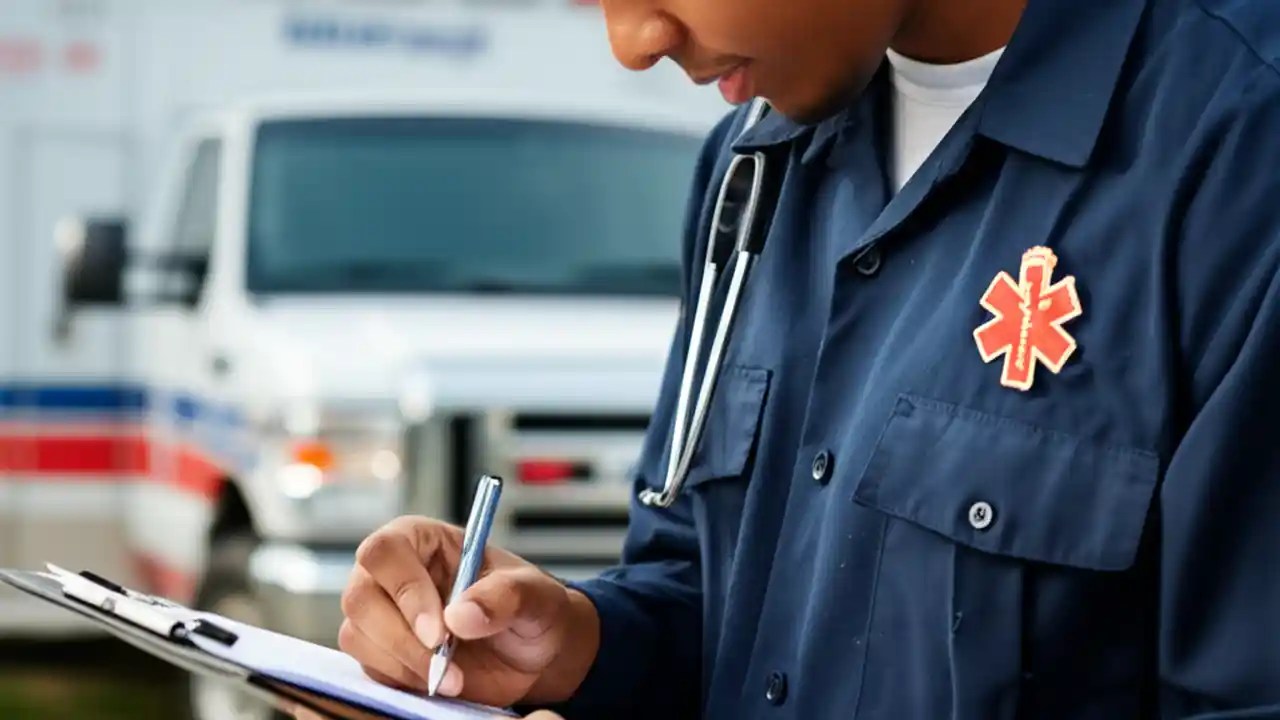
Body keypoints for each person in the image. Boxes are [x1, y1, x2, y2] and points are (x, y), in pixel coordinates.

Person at [317, 0, 1280, 717]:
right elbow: (712, 590)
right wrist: (573, 646)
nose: (633, 42)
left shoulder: (1239, 146)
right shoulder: (748, 168)